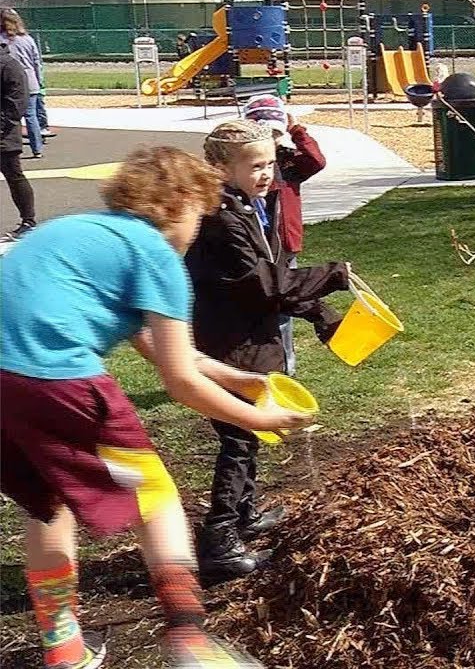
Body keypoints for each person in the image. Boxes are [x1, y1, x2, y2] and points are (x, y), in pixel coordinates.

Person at [1, 146, 307, 669]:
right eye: (200, 211)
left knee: (48, 505)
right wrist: (260, 419)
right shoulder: (156, 253)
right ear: (184, 202)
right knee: (156, 499)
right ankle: (189, 642)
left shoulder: (80, 231)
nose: (197, 227)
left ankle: (64, 646)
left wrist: (239, 379)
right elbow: (180, 381)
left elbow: (158, 345)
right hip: (58, 377)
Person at [186, 120, 351, 579]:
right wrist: (332, 275)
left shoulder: (251, 206)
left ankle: (244, 514)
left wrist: (319, 314)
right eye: (255, 165)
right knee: (239, 439)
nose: (266, 173)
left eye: (270, 164)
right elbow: (266, 286)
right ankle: (219, 539)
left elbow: (271, 284)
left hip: (253, 338)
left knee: (249, 435)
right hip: (229, 346)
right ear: (220, 167)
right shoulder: (219, 218)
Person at [243, 94, 328, 375]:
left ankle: (284, 368)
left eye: (273, 133)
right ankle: (255, 363)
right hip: (254, 248)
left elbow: (316, 160)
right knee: (256, 307)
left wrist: (296, 130)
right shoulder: (244, 167)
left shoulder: (289, 164)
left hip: (283, 247)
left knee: (284, 305)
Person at [1, 37, 36, 240]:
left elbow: (16, 103)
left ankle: (28, 221)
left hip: (4, 135)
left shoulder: (9, 65)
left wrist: (3, 128)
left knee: (14, 176)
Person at [0, 8, 44, 159]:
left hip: (10, 83)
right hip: (30, 81)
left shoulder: (2, 41)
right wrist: (39, 81)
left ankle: (13, 148)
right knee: (31, 116)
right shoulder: (28, 39)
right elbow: (37, 62)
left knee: (11, 116)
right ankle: (37, 148)